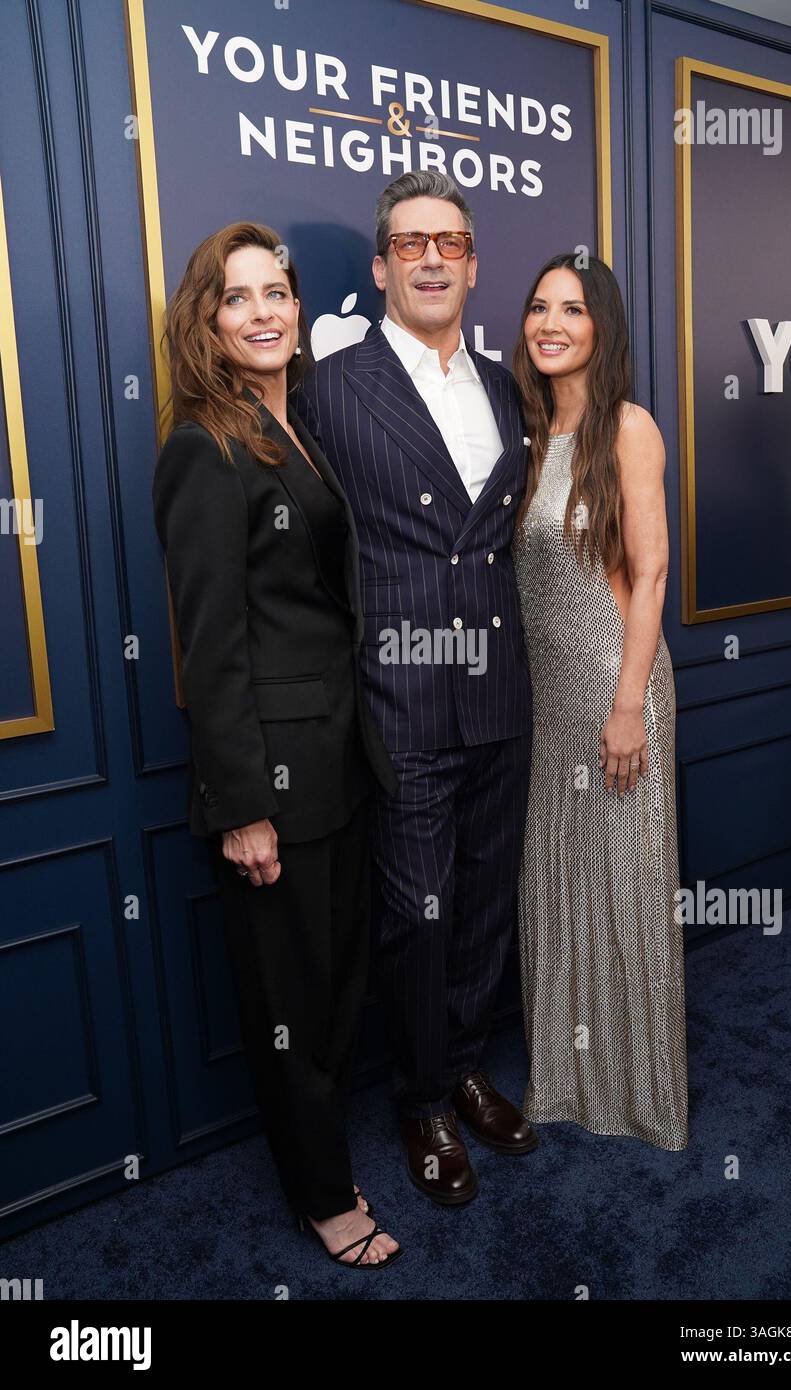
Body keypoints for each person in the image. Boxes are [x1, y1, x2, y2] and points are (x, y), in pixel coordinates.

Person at [152, 221, 404, 1267]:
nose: (263, 311)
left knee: (338, 980)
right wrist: (243, 802)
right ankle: (319, 1194)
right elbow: (208, 652)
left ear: (299, 311)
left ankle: (324, 1153)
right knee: (289, 1001)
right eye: (237, 296)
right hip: (275, 783)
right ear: (206, 322)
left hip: (339, 760)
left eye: (277, 292)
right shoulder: (200, 447)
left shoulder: (291, 426)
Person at [296, 171, 538, 1205]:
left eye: (448, 242)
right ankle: (422, 1098)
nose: (430, 258)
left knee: (484, 897)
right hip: (399, 696)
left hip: (499, 689)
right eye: (409, 243)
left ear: (472, 264)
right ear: (381, 267)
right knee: (416, 913)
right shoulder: (328, 390)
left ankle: (470, 1061)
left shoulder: (503, 386)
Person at [511, 251, 688, 1151]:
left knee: (624, 887)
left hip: (617, 686)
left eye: (572, 310)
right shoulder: (529, 433)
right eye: (540, 307)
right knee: (564, 883)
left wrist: (628, 705)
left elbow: (652, 573)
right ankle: (572, 1077)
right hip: (551, 701)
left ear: (601, 327)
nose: (551, 323)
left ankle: (639, 1091)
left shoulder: (628, 428)